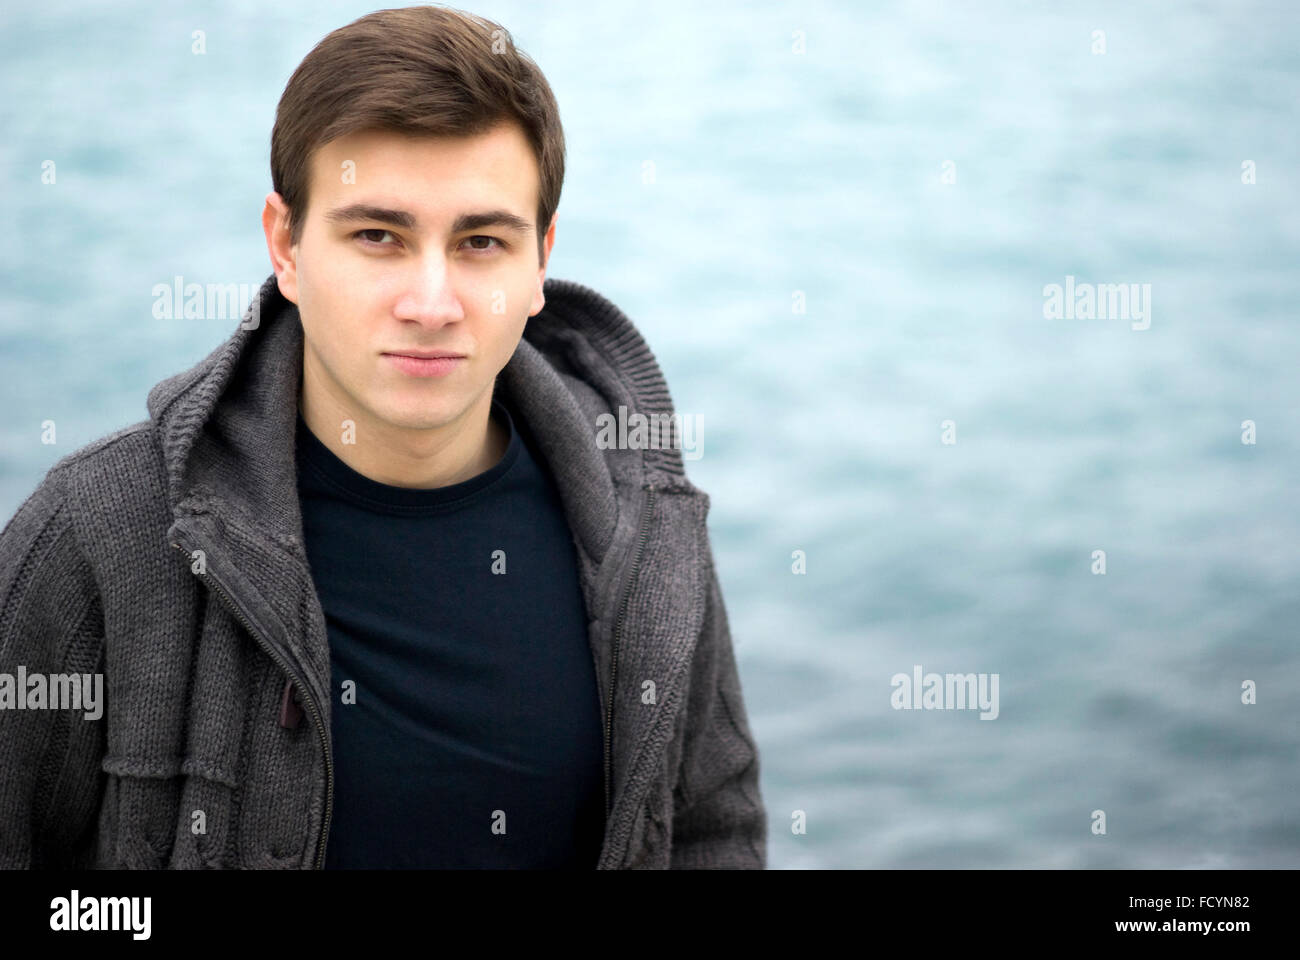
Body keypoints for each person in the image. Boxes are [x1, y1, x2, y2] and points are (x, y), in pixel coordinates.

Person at [0, 5, 765, 869]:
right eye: (378, 235)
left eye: (481, 241)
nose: (431, 303)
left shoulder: (646, 526)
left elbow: (714, 830)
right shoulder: (99, 535)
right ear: (285, 244)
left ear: (540, 262)